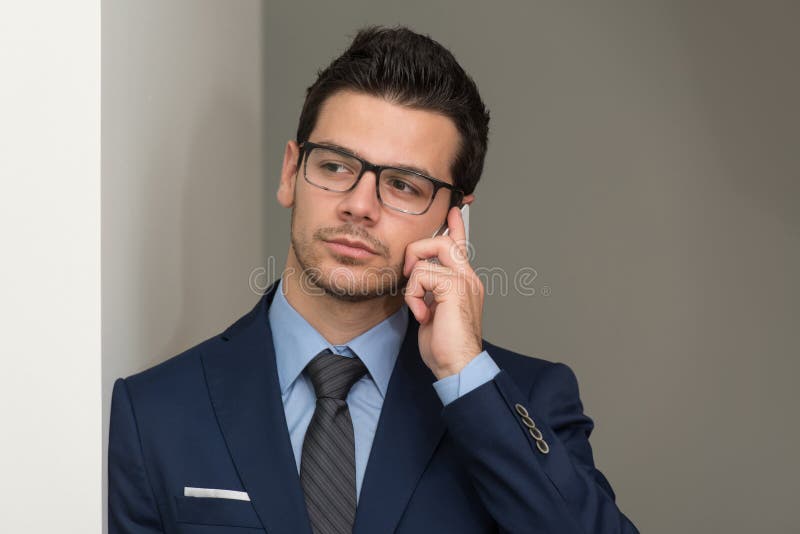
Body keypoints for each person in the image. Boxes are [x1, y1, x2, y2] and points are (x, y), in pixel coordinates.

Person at [108, 26, 639, 533]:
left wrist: (463, 372)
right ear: (291, 172)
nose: (359, 206)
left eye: (404, 185)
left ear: (455, 218)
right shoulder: (155, 409)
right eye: (336, 166)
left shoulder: (525, 398)